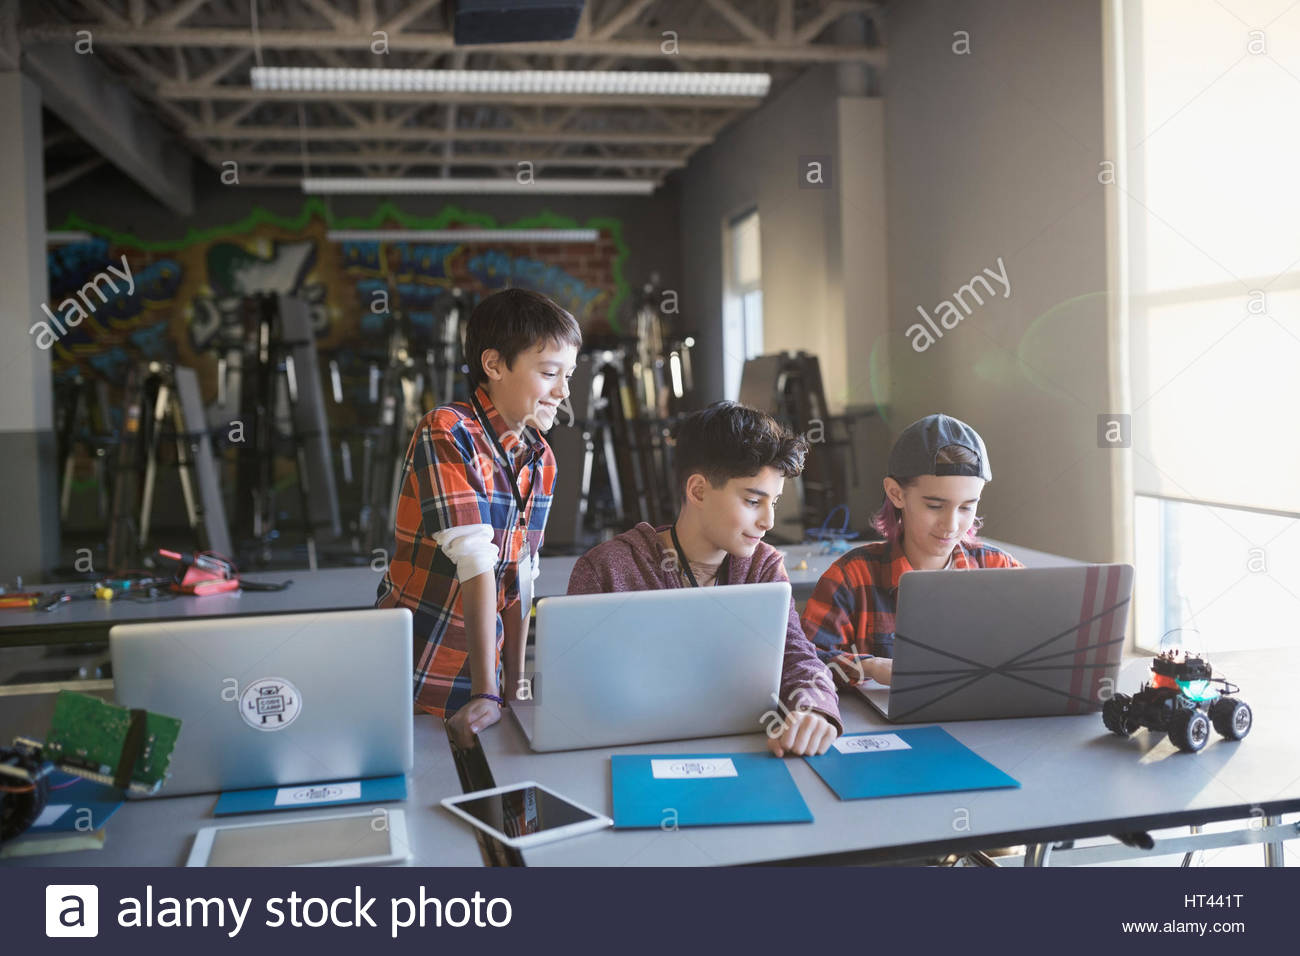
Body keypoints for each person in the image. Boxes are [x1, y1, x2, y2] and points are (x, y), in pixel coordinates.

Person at [567, 401, 842, 757]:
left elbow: (797, 656)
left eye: (774, 502)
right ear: (697, 491)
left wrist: (814, 707)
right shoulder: (606, 570)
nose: (768, 522)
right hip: (627, 755)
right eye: (753, 501)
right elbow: (575, 693)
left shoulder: (763, 569)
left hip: (742, 751)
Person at [376, 287, 581, 746]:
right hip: (416, 674)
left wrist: (511, 690)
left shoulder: (541, 458)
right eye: (550, 372)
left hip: (484, 682)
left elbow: (520, 579)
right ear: (493, 365)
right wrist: (490, 690)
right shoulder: (448, 430)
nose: (564, 391)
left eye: (568, 375)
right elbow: (476, 562)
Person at [802, 414, 1023, 687]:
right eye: (934, 505)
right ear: (896, 494)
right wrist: (870, 666)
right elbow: (804, 662)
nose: (951, 525)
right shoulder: (851, 577)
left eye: (967, 506)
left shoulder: (1000, 569)